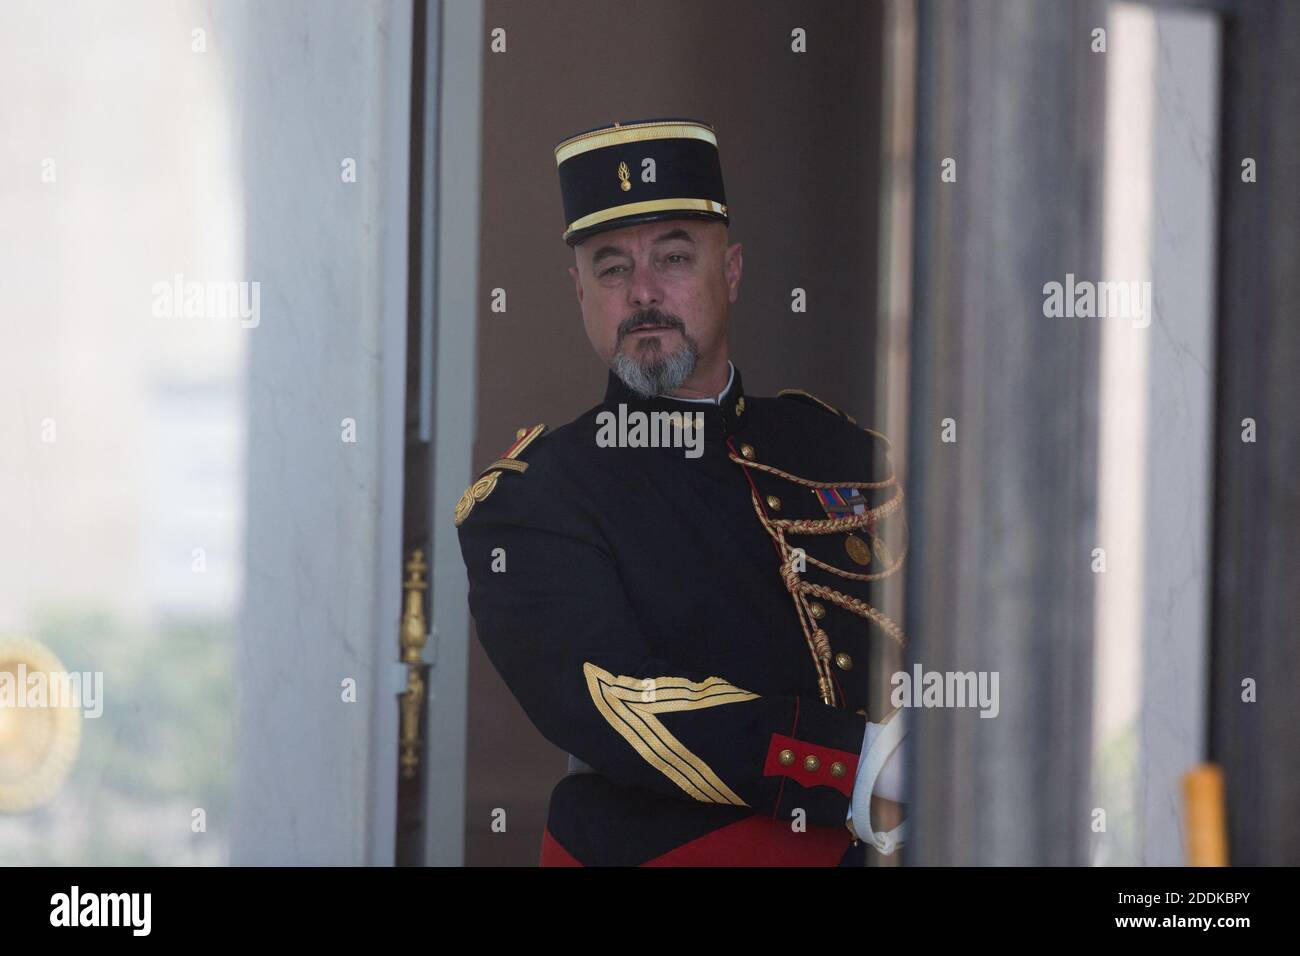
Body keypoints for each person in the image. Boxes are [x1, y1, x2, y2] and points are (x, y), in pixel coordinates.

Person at [456, 117, 909, 866]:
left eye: (672, 257)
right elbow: (617, 700)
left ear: (729, 271)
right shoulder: (536, 496)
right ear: (579, 292)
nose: (642, 293)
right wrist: (861, 765)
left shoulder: (840, 448)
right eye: (610, 268)